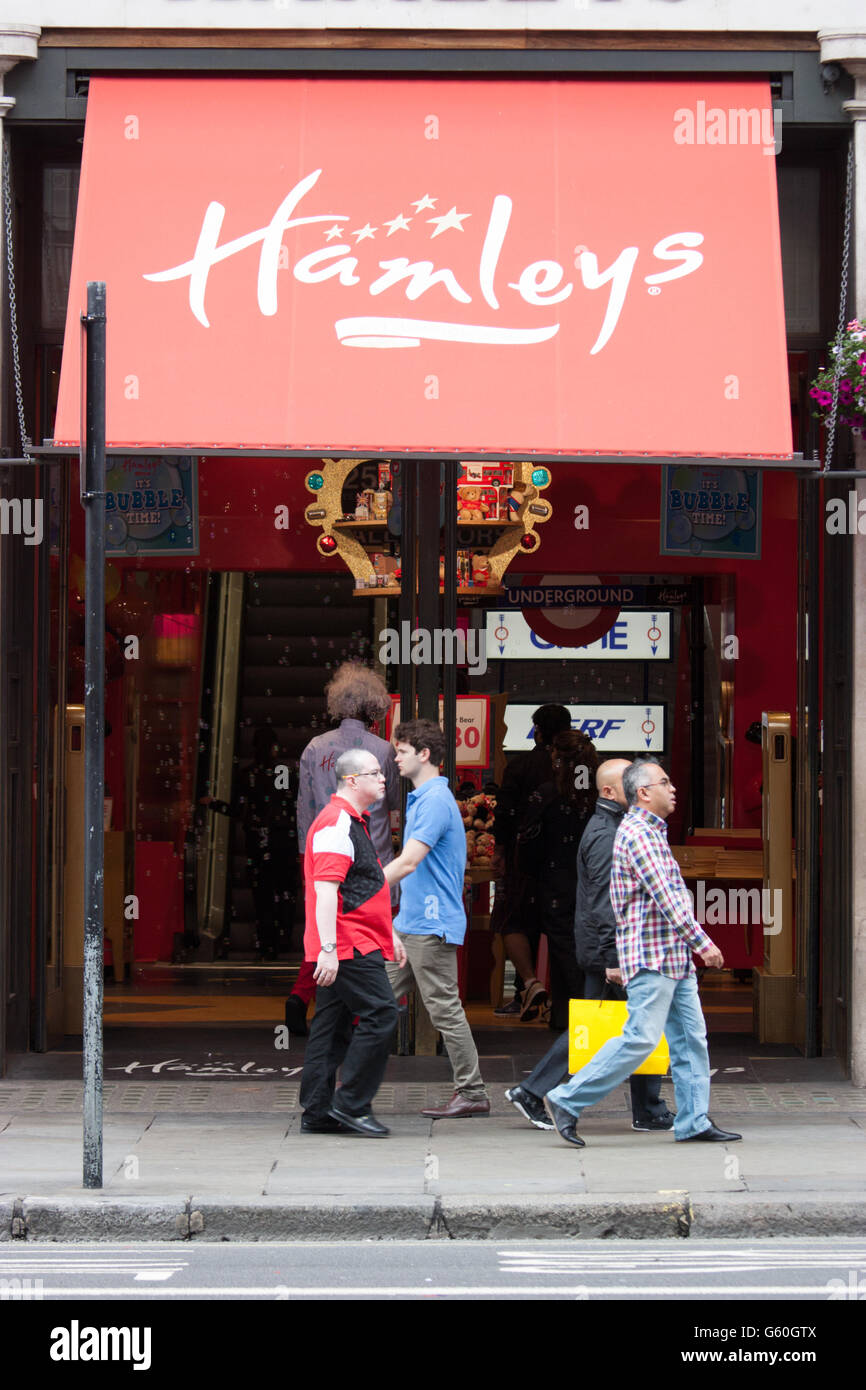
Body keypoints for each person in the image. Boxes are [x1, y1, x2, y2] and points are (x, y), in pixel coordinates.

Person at [544, 756, 742, 1146]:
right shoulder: (639, 835)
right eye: (665, 782)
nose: (673, 788)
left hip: (669, 957)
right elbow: (668, 899)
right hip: (653, 957)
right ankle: (566, 1098)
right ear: (644, 792)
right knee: (640, 1038)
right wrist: (704, 945)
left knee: (690, 1040)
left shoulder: (648, 831)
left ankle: (693, 1120)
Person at [505, 758, 674, 1133]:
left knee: (625, 1025)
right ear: (610, 792)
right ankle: (535, 1091)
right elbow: (605, 902)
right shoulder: (608, 835)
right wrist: (614, 958)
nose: (637, 790)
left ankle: (647, 1107)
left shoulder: (615, 828)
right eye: (628, 784)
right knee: (606, 1026)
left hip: (610, 951)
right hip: (610, 954)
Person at [285, 662, 401, 1035]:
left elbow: (303, 807)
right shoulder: (383, 750)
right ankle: (357, 1016)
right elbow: (393, 804)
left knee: (325, 926)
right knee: (366, 935)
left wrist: (308, 857)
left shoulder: (314, 747)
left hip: (324, 851)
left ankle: (304, 993)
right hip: (372, 852)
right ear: (374, 708)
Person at [383, 718, 490, 1119]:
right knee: (375, 1000)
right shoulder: (426, 799)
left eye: (402, 751)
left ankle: (473, 1091)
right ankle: (348, 1083)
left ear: (424, 755)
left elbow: (409, 862)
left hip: (429, 926)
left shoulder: (433, 801)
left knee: (444, 1009)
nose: (395, 758)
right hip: (411, 925)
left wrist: (365, 890)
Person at [298, 748, 406, 1137]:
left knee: (332, 1027)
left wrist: (389, 933)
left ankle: (318, 1110)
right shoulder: (336, 824)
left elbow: (362, 887)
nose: (384, 779)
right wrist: (328, 950)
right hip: (348, 945)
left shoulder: (349, 822)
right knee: (381, 1013)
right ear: (351, 780)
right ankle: (351, 1104)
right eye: (375, 773)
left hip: (351, 942)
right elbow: (326, 891)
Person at [492, 702, 572, 1020]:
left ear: (537, 731)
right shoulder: (578, 766)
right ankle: (560, 995)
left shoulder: (521, 765)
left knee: (510, 920)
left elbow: (505, 812)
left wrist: (499, 851)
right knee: (557, 926)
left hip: (522, 858)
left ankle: (530, 983)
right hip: (564, 860)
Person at [516, 729, 597, 1029]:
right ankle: (567, 1017)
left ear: (557, 758)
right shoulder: (596, 792)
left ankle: (577, 1018)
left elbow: (528, 838)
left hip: (556, 880)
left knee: (565, 951)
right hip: (592, 881)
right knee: (577, 948)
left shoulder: (548, 793)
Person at [236, 726, 299, 961]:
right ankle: (283, 936)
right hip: (282, 838)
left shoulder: (246, 774)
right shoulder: (282, 771)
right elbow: (285, 800)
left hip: (257, 839)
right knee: (284, 890)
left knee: (262, 893)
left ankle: (266, 941)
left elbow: (239, 808)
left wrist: (214, 804)